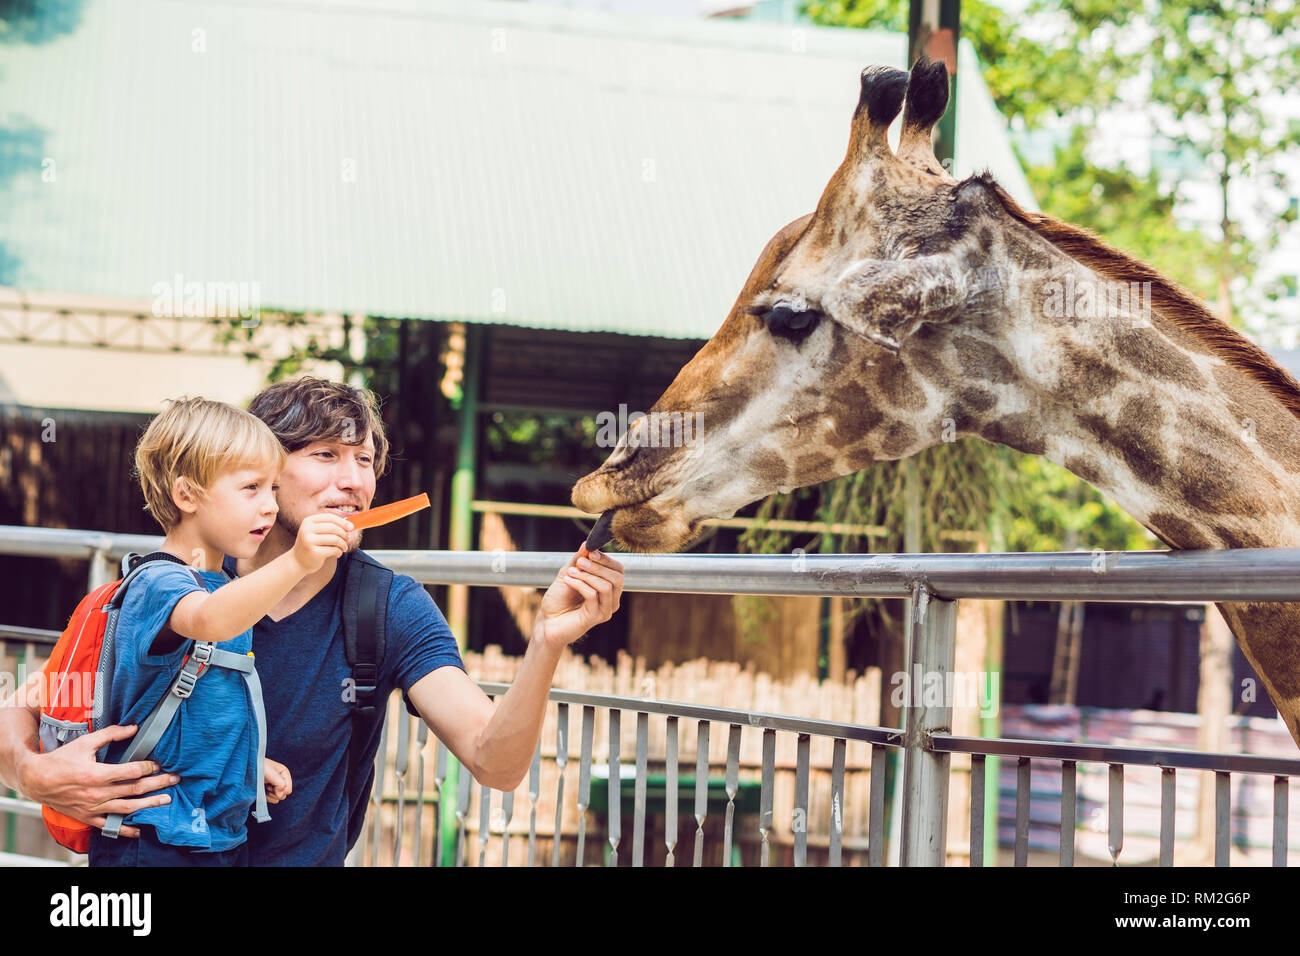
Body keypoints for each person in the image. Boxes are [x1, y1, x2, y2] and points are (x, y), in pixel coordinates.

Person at [0, 376, 625, 865]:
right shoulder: (171, 586)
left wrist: (545, 643)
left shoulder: (387, 607)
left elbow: (496, 762)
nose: (353, 481)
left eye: (365, 459)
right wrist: (34, 772)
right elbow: (28, 706)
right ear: (262, 470)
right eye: (326, 455)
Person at [85, 397, 354, 866]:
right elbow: (209, 618)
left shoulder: (226, 585)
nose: (270, 506)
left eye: (273, 488)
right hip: (153, 839)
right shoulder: (160, 582)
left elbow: (205, 713)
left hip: (214, 837)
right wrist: (297, 562)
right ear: (187, 495)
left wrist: (244, 765)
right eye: (251, 488)